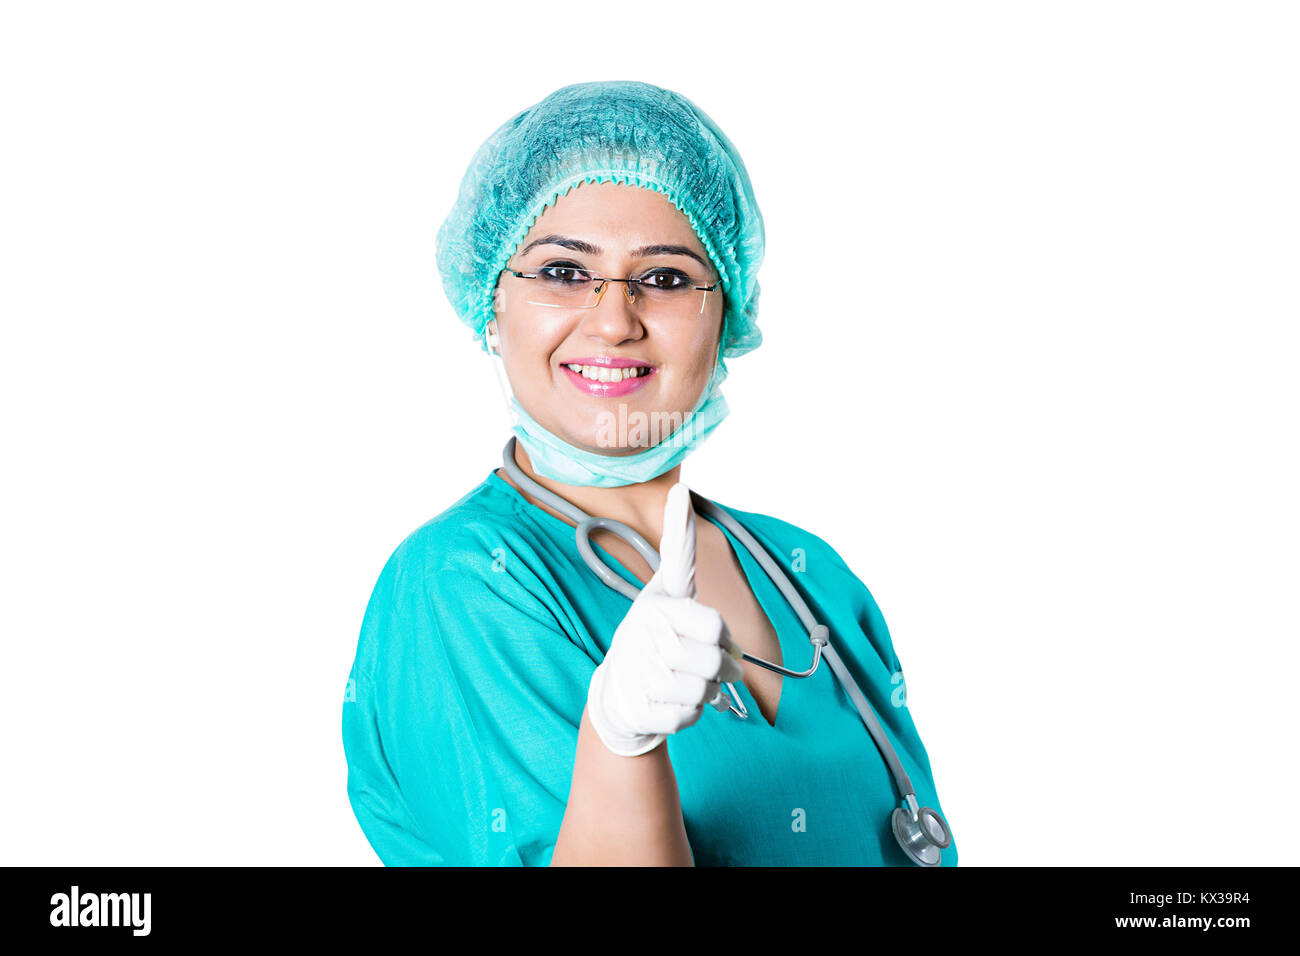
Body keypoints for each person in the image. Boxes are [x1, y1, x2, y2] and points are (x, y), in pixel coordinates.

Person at [341, 80, 957, 866]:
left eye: (664, 278)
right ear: (490, 305)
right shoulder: (455, 584)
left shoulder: (815, 578)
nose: (613, 319)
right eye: (563, 271)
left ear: (727, 312)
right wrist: (617, 745)